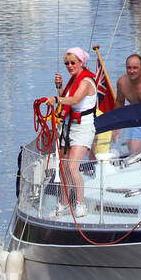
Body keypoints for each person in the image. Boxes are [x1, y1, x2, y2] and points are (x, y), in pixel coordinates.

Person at [48, 47, 99, 218]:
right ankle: (63, 203)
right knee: (63, 168)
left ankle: (80, 204)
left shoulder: (85, 82)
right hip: (69, 127)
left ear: (81, 63)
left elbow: (75, 100)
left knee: (72, 166)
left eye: (73, 63)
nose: (69, 66)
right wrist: (60, 88)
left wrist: (56, 99)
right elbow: (68, 101)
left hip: (83, 128)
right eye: (67, 63)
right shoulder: (73, 80)